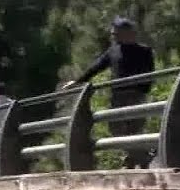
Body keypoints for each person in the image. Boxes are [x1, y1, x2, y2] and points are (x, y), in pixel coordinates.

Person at [62, 16, 156, 168]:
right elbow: (96, 67)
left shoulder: (144, 51)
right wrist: (78, 81)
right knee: (115, 129)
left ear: (127, 33)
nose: (113, 36)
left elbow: (150, 74)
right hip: (117, 96)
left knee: (135, 129)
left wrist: (142, 90)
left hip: (136, 95)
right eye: (113, 34)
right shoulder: (113, 51)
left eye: (116, 33)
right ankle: (141, 156)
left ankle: (133, 160)